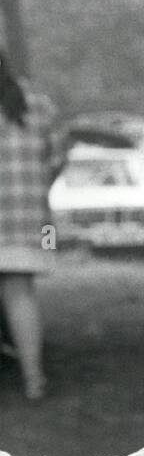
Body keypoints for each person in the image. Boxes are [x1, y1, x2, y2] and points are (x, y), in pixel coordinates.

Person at [0, 56, 57, 401]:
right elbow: (57, 157)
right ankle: (34, 379)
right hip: (24, 218)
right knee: (20, 296)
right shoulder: (38, 102)